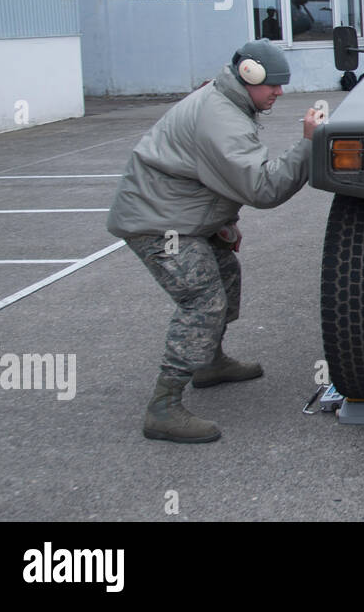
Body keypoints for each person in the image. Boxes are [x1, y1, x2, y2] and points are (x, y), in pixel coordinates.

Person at [108, 39, 320, 443]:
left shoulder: (228, 102)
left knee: (225, 274)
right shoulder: (220, 116)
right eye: (273, 85)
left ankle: (209, 362)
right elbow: (262, 187)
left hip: (179, 217)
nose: (279, 93)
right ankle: (163, 406)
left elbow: (210, 174)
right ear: (249, 76)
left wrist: (220, 220)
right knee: (203, 300)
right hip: (158, 225)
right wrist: (309, 143)